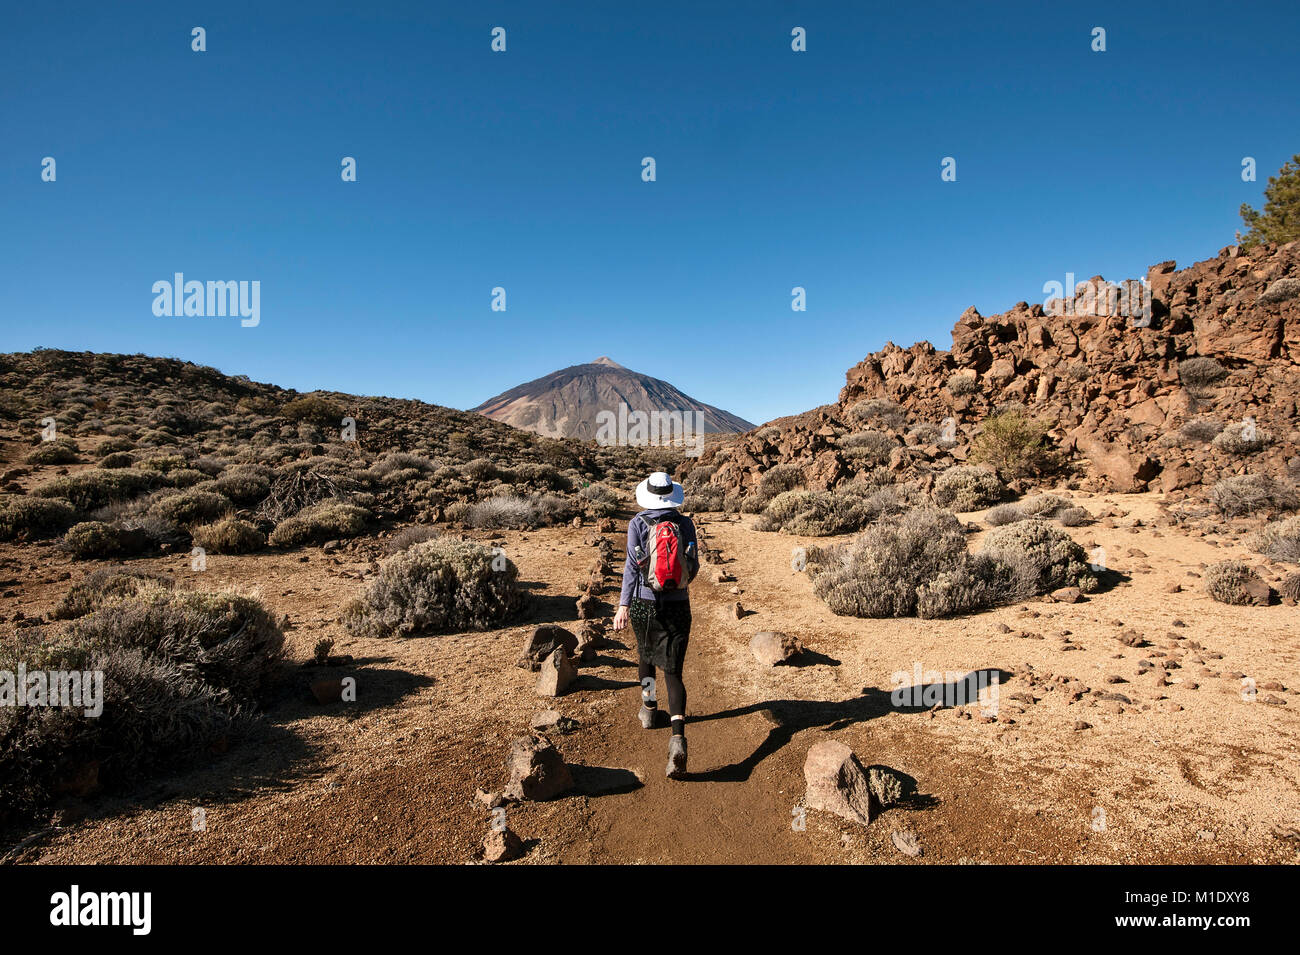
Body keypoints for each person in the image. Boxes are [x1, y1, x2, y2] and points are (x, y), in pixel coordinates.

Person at [613, 471, 700, 778]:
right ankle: (677, 738)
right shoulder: (685, 523)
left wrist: (623, 605)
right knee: (674, 671)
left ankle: (649, 709)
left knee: (646, 657)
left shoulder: (637, 523)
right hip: (678, 603)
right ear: (672, 494)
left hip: (642, 603)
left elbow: (631, 570)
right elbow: (694, 567)